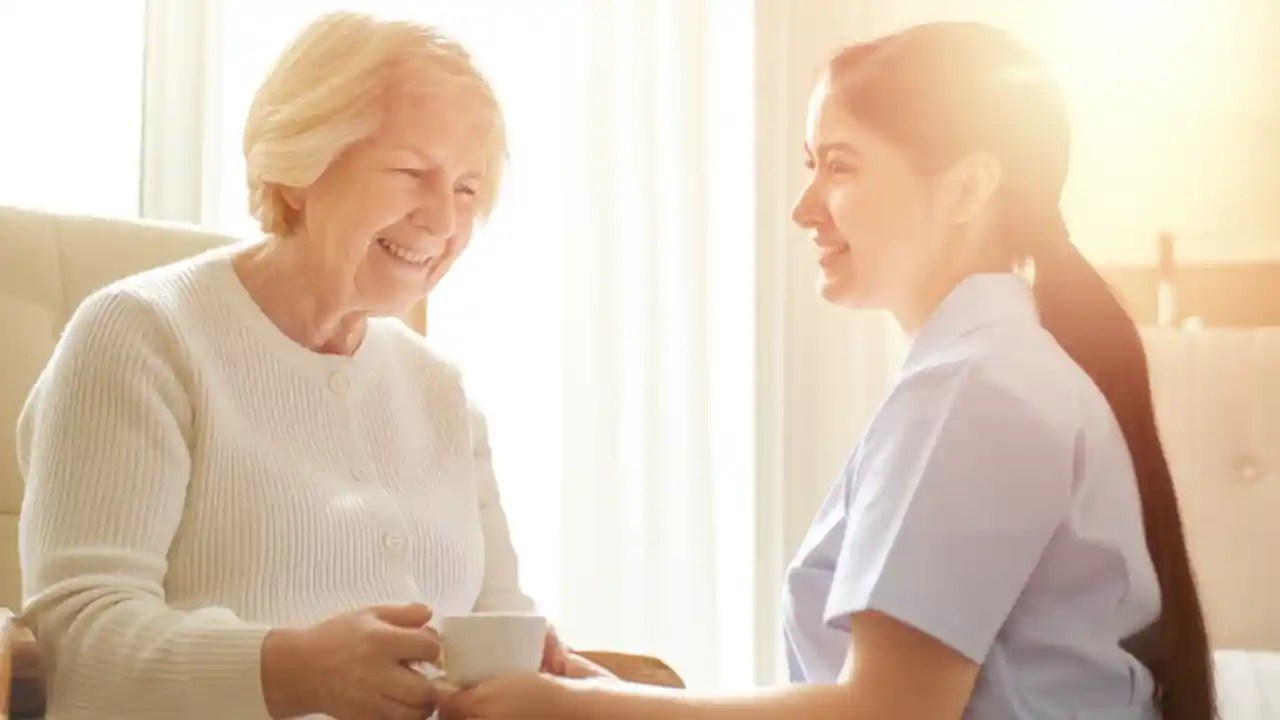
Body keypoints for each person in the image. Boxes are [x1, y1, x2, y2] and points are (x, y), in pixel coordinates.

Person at [440, 22, 1216, 720]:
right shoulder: (992, 371)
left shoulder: (977, 386)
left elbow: (888, 711)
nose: (804, 207)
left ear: (966, 189)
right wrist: (601, 696)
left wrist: (578, 710)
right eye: (811, 165)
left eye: (839, 167)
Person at [17, 12, 577, 720]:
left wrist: (550, 675)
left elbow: (501, 627)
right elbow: (77, 648)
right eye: (412, 173)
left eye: (467, 190)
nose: (443, 222)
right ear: (296, 173)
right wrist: (298, 671)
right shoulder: (141, 335)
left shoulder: (440, 389)